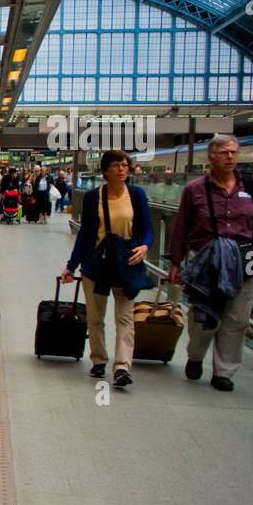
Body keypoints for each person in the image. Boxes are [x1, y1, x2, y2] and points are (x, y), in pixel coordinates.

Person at [166, 134, 253, 391]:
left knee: (237, 317)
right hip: (206, 257)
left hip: (247, 256)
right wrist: (176, 262)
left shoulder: (252, 185)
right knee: (203, 314)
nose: (231, 157)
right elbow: (181, 227)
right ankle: (195, 356)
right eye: (225, 152)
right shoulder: (195, 188)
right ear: (211, 156)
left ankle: (223, 372)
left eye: (234, 152)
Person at [61, 150, 155, 388]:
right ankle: (99, 360)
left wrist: (145, 246)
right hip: (96, 264)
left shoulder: (136, 194)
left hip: (127, 264)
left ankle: (122, 367)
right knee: (95, 317)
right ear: (105, 171)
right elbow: (84, 234)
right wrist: (71, 266)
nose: (122, 169)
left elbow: (148, 229)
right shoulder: (94, 197)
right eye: (116, 165)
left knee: (125, 318)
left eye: (125, 165)